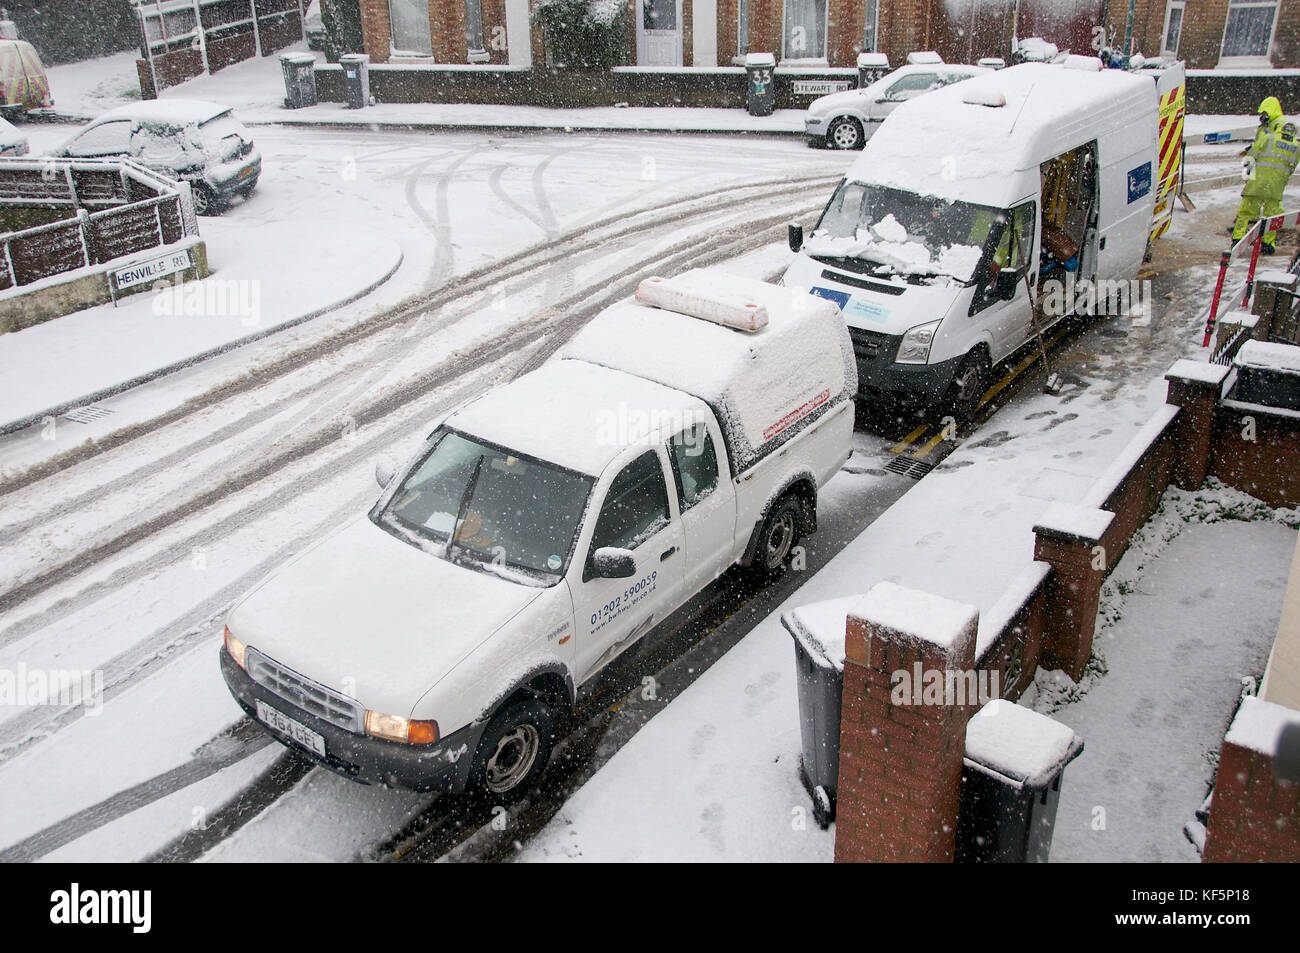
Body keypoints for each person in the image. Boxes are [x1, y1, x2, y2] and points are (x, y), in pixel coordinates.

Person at [1232, 96, 1300, 255]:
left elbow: (1254, 152)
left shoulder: (1272, 130)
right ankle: (1268, 243)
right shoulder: (1281, 133)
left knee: (1247, 210)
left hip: (1260, 178)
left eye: (1264, 112)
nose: (1262, 116)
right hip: (1276, 182)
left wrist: (1247, 172)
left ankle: (1238, 239)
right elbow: (1292, 163)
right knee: (1272, 213)